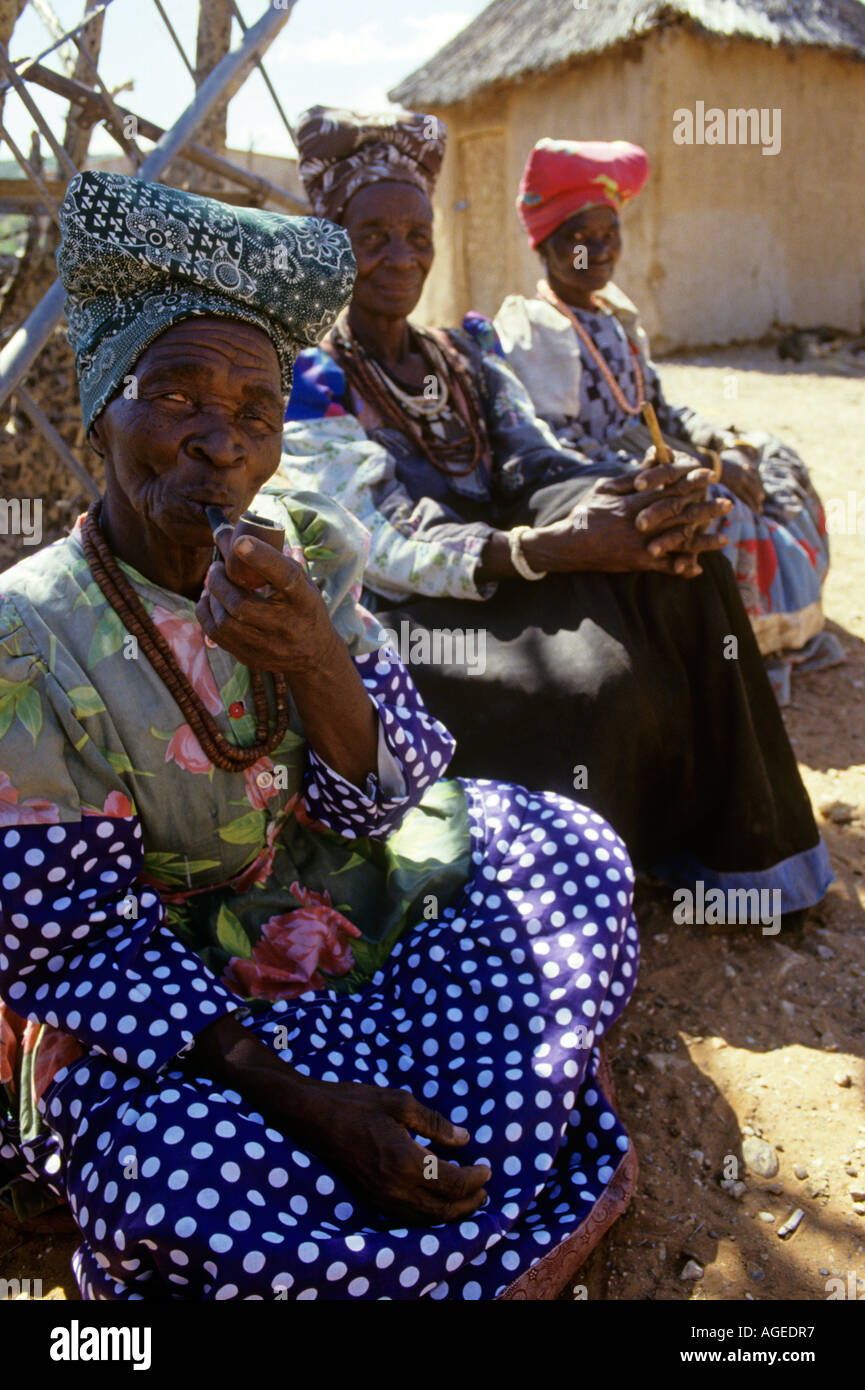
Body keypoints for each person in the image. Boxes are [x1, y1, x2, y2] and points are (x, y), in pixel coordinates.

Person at [0, 170, 641, 1302]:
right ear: (105, 406)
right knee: (172, 1174)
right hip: (157, 993)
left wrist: (316, 656)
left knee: (566, 850)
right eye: (177, 398)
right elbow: (76, 948)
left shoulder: (304, 545)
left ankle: (450, 1145)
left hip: (318, 894)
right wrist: (316, 1106)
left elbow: (383, 807)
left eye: (254, 413)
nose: (219, 445)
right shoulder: (28, 636)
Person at [281, 106, 832, 908]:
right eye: (374, 238)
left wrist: (638, 504)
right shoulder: (312, 382)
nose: (402, 259)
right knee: (593, 686)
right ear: (334, 247)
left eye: (418, 236)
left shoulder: (463, 354)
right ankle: (560, 910)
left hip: (511, 567)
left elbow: (536, 459)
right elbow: (387, 546)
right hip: (407, 616)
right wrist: (554, 549)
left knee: (683, 562)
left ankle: (736, 860)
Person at [494, 138, 839, 704]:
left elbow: (659, 402)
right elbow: (561, 445)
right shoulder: (539, 329)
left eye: (610, 234)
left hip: (662, 451)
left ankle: (787, 623)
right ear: (545, 246)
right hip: (613, 479)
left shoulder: (615, 316)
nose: (600, 252)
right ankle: (742, 643)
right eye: (580, 239)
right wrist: (701, 467)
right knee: (716, 509)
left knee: (773, 456)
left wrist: (714, 441)